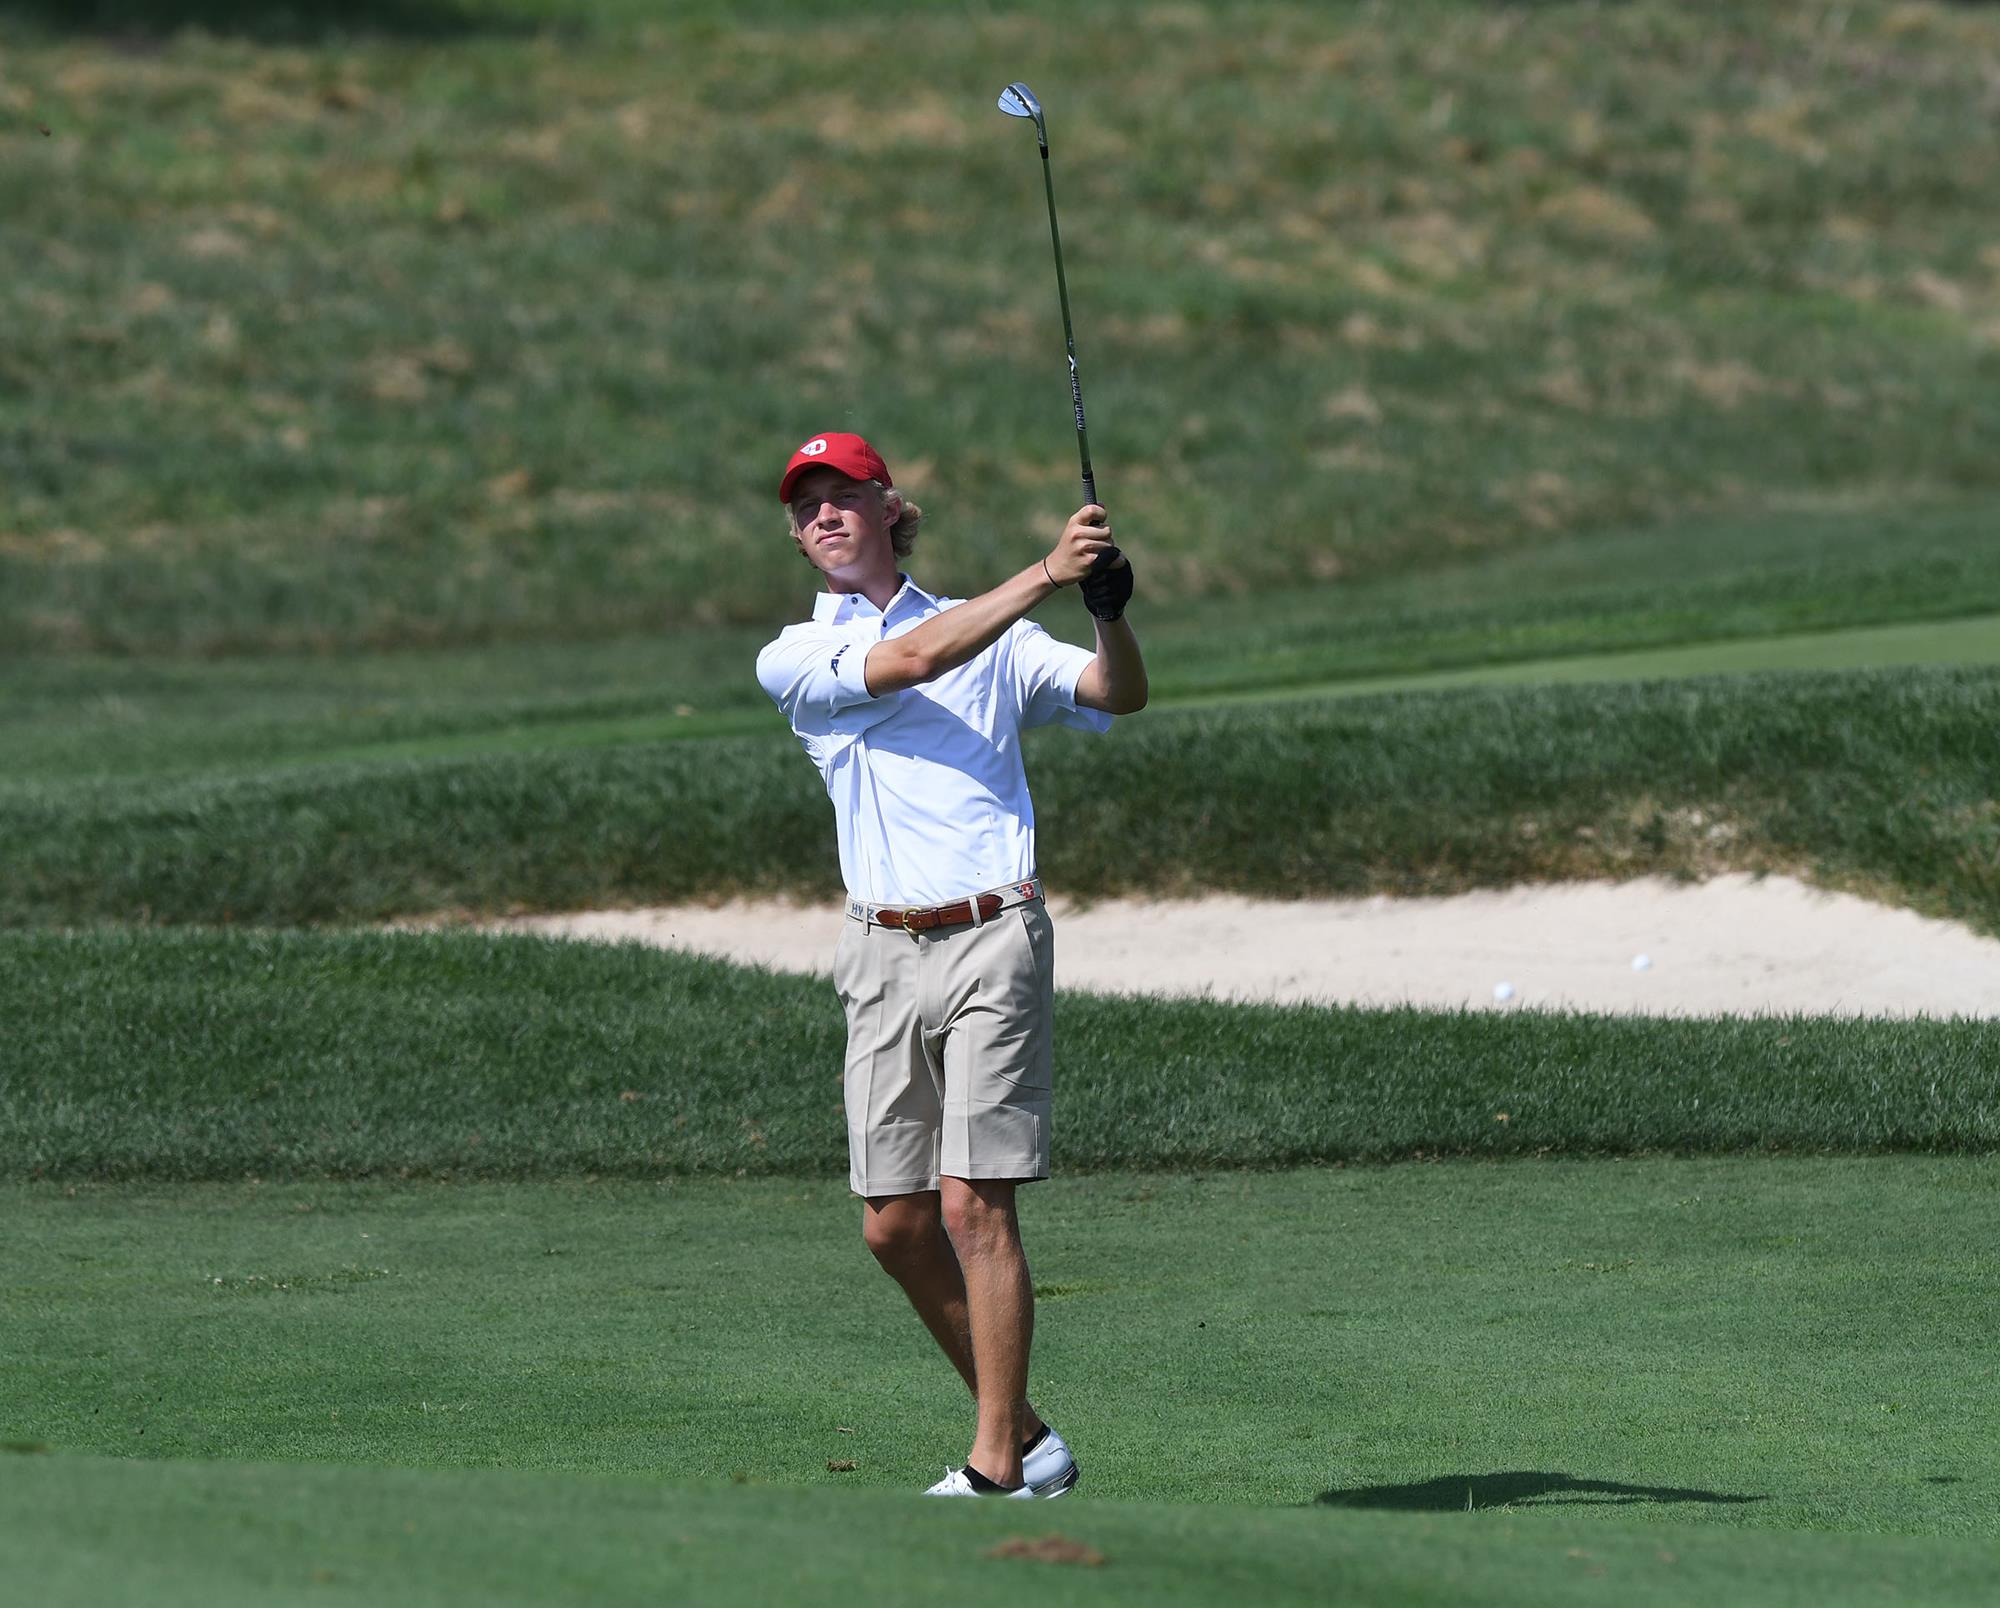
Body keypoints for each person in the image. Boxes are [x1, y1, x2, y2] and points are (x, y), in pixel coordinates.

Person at [755, 431, 1147, 1497]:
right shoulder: (795, 655)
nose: (824, 517)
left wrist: (1103, 605)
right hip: (877, 950)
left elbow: (1117, 696)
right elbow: (916, 660)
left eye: (844, 497)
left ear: (892, 509)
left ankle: (995, 1469)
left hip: (990, 935)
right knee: (894, 1225)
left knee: (976, 1206)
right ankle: (1022, 1427)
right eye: (806, 507)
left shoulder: (1000, 638)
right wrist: (1045, 573)